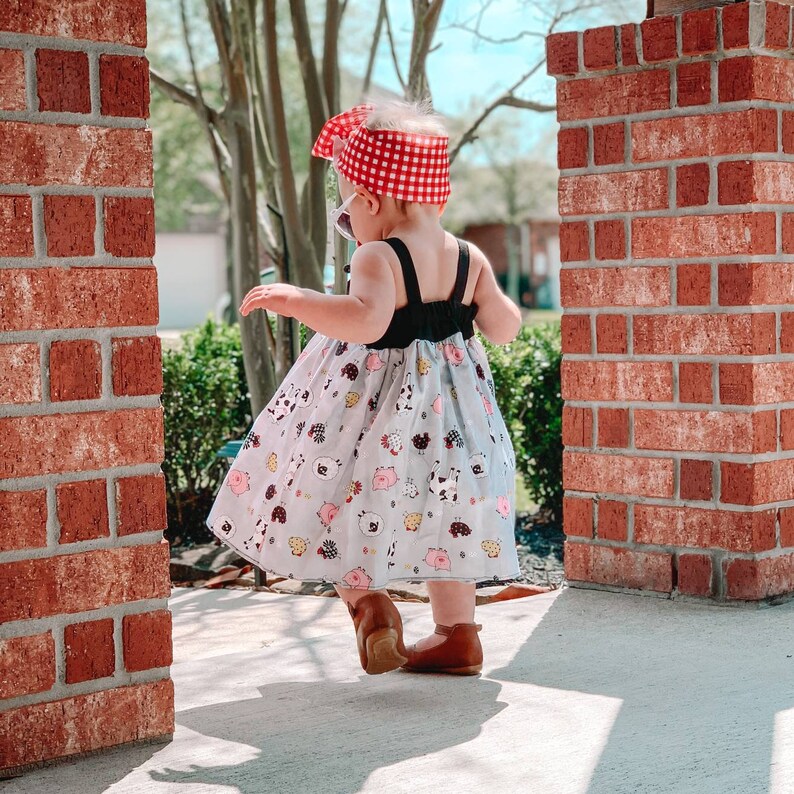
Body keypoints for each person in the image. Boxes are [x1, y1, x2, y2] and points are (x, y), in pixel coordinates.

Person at [207, 100, 522, 676]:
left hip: (371, 414)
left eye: (347, 209)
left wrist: (295, 300)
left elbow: (367, 323)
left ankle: (371, 607)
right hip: (452, 424)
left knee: (345, 500)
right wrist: (480, 302)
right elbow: (504, 327)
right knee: (445, 512)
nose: (349, 223)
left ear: (372, 201)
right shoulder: (469, 257)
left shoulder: (379, 254)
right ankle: (459, 636)